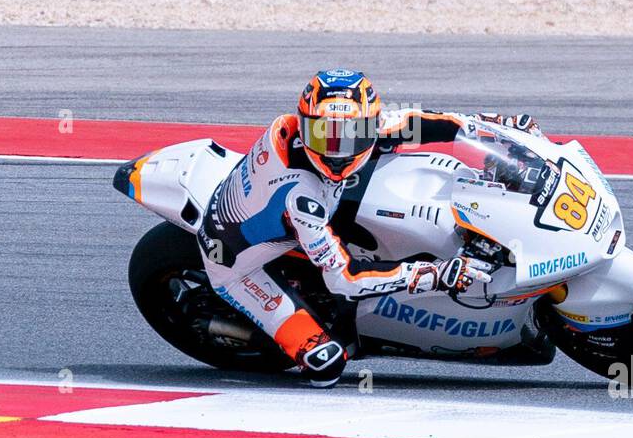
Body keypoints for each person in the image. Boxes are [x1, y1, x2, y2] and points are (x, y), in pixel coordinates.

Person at [198, 68, 539, 387]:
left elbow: (427, 122)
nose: (336, 149)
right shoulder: (301, 198)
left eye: (350, 134)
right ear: (304, 127)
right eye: (324, 134)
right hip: (235, 264)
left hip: (278, 210)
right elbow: (342, 279)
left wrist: (496, 128)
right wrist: (432, 274)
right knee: (326, 364)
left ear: (369, 122)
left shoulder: (352, 128)